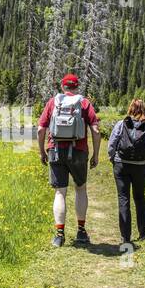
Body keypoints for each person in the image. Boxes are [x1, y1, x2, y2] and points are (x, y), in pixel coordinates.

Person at [37, 73, 101, 247]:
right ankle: (81, 231)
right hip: (79, 151)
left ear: (63, 86)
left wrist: (42, 151)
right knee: (80, 189)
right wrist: (95, 154)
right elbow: (95, 131)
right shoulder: (84, 103)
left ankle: (59, 235)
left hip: (56, 150)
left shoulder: (53, 102)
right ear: (77, 86)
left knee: (60, 192)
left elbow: (41, 129)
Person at [107, 99, 145, 249]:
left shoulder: (121, 124)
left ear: (130, 109)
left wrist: (112, 158)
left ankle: (125, 236)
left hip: (121, 164)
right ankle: (143, 233)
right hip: (140, 167)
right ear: (144, 110)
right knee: (140, 198)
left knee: (123, 199)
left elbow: (112, 144)